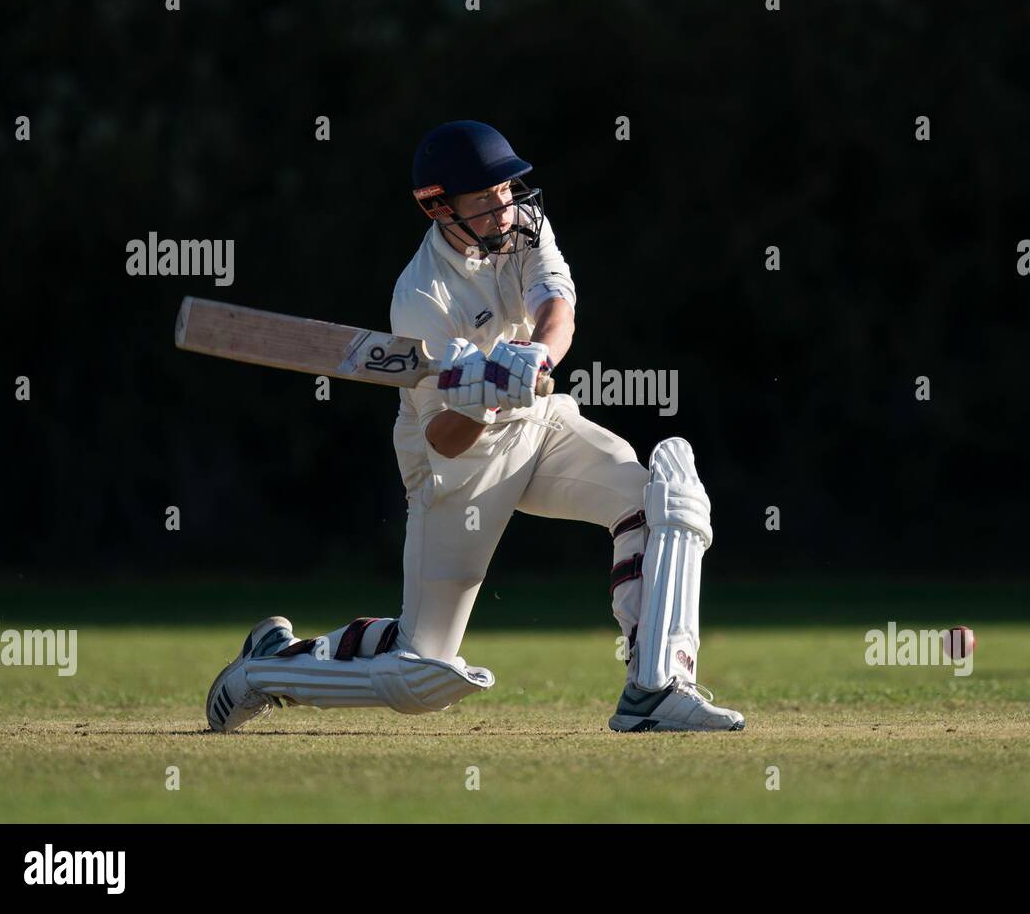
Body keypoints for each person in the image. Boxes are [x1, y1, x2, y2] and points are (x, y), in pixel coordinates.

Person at [206, 120, 744, 733]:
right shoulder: (421, 298)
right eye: (484, 201)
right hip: (458, 469)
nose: (504, 210)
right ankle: (266, 668)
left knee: (659, 500)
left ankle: (656, 688)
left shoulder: (521, 229)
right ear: (437, 206)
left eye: (507, 193)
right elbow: (442, 438)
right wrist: (480, 401)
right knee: (420, 673)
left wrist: (537, 357)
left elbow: (557, 307)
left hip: (540, 426)